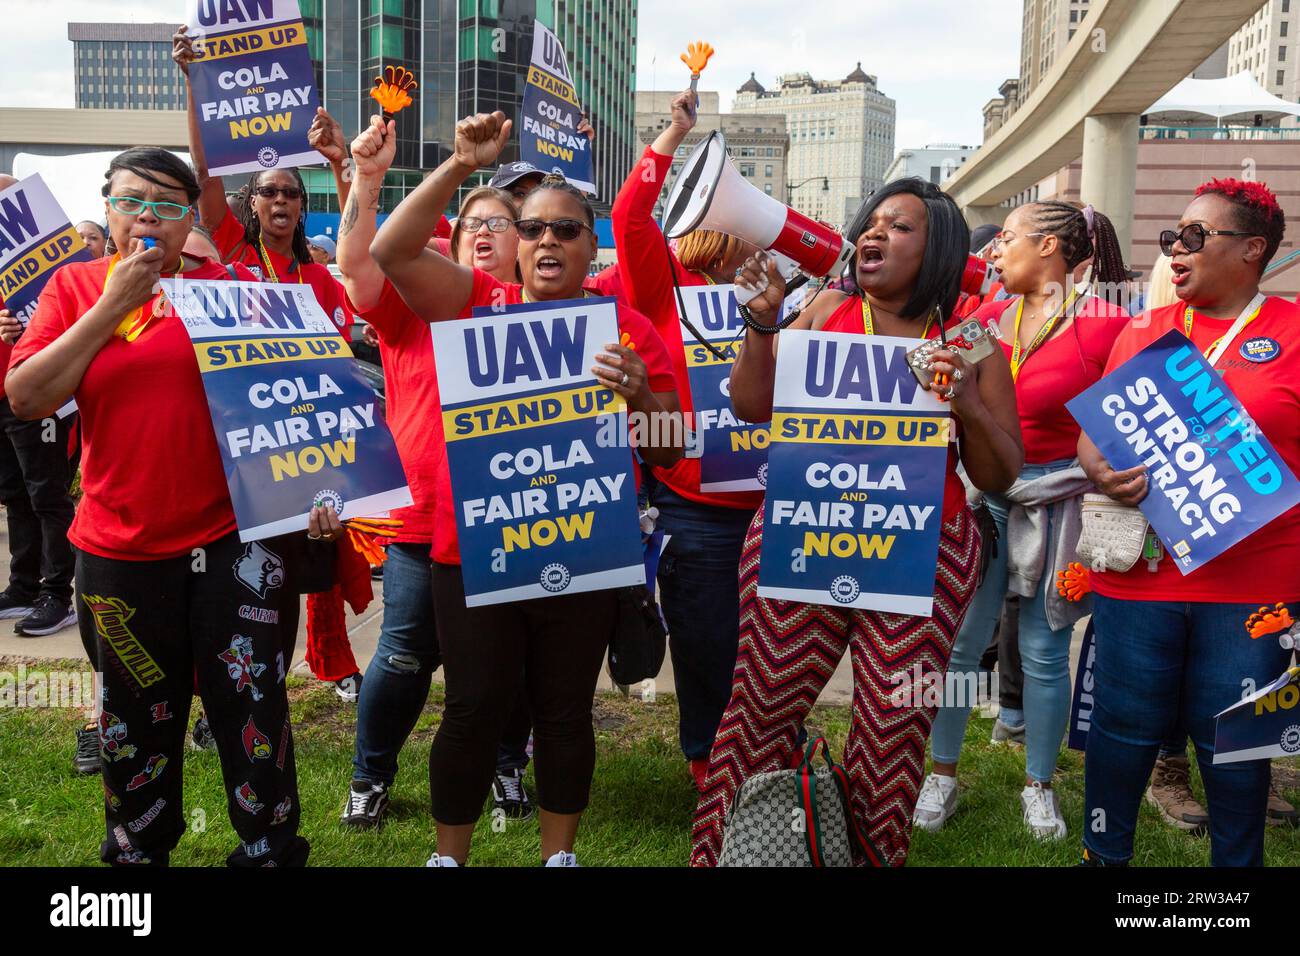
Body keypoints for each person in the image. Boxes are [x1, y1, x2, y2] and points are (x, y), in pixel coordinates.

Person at [371, 110, 682, 867]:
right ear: (514, 245)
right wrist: (457, 164)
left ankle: (558, 857)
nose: (548, 242)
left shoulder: (627, 328)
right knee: (473, 708)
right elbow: (390, 249)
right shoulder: (476, 301)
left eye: (567, 231)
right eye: (533, 229)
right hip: (473, 551)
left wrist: (642, 393)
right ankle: (449, 857)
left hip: (584, 554)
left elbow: (674, 448)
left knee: (565, 712)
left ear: (590, 246)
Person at [5, 147, 330, 866]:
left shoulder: (240, 290)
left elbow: (308, 403)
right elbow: (28, 396)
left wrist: (325, 488)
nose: (147, 215)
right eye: (130, 201)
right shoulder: (75, 286)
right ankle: (137, 853)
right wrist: (113, 304)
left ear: (194, 218)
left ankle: (268, 849)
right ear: (108, 208)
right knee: (134, 718)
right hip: (120, 550)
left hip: (235, 544)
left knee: (253, 710)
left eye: (168, 204)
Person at [691, 177, 1024, 867]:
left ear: (938, 245)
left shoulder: (968, 335)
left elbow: (1000, 473)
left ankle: (871, 856)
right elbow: (752, 406)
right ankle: (730, 854)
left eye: (897, 226)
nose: (872, 233)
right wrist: (760, 325)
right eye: (870, 222)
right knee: (760, 711)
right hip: (805, 535)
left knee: (893, 729)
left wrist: (963, 399)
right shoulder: (827, 306)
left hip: (922, 554)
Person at [1078, 178, 1299, 867]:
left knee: (1235, 745)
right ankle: (1103, 858)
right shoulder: (1144, 329)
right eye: (1172, 235)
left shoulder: (1292, 332)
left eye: (1196, 236)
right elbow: (1095, 432)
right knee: (1122, 731)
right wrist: (1098, 469)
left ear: (1252, 249)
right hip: (1139, 578)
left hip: (1252, 589)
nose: (1176, 248)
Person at [334, 114, 532, 829]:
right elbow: (361, 262)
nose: (485, 231)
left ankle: (510, 764)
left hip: (520, 517)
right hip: (425, 519)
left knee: (513, 660)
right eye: (472, 223)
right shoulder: (410, 310)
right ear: (443, 244)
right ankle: (370, 775)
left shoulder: (546, 314)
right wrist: (367, 177)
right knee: (405, 656)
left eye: (502, 224)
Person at [914, 200, 1132, 840]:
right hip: (984, 498)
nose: (992, 251)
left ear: (1050, 250)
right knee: (957, 647)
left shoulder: (1110, 325)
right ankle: (941, 775)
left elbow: (1130, 420)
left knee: (1041, 649)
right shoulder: (984, 321)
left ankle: (1040, 785)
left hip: (1058, 503)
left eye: (1006, 239)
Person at [611, 89, 763, 790]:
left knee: (766, 652)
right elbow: (628, 216)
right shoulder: (661, 286)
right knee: (706, 647)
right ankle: (708, 767)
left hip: (769, 505)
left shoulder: (776, 300)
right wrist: (672, 134)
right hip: (695, 510)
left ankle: (760, 761)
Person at [172, 27, 354, 339]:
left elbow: (356, 229)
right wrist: (194, 84)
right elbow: (204, 173)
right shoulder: (235, 250)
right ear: (253, 204)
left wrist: (341, 161)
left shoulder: (320, 278)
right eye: (268, 192)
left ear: (300, 205)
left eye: (290, 193)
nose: (280, 199)